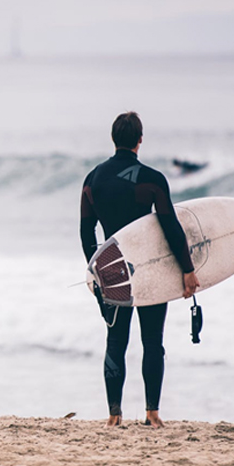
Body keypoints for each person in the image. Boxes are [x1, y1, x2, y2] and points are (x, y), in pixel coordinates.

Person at [79, 112, 198, 429]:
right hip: (148, 270)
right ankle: (152, 413)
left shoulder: (93, 179)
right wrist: (187, 270)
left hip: (114, 271)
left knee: (116, 340)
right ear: (140, 140)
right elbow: (170, 227)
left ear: (113, 139)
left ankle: (114, 415)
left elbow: (86, 231)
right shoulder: (152, 179)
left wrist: (97, 270)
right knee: (152, 341)